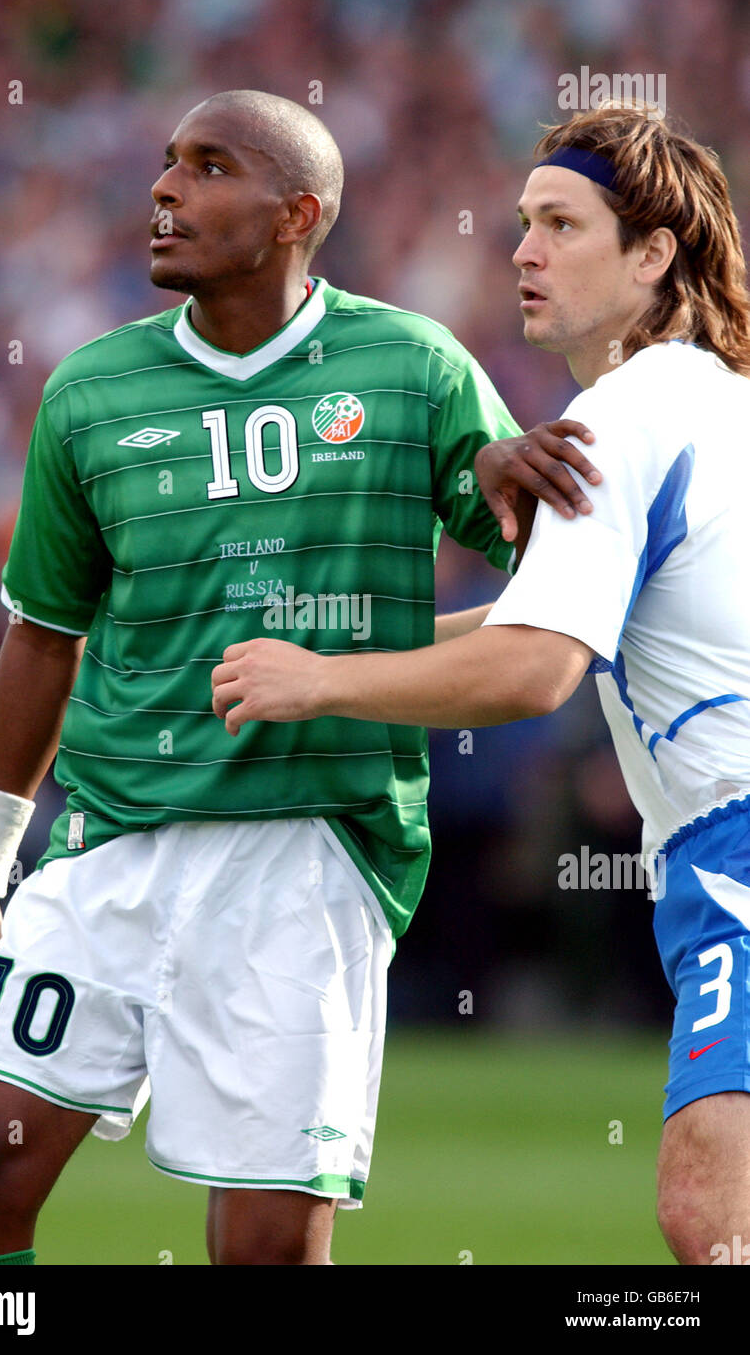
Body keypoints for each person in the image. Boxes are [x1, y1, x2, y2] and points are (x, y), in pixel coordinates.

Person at [0, 89, 589, 1267]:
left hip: (308, 855)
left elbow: (543, 561)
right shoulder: (89, 389)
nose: (163, 190)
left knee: (265, 1247)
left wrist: (510, 484)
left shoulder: (411, 365)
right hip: (110, 841)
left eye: (206, 166)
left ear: (296, 213)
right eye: (166, 164)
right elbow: (42, 635)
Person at [213, 104, 750, 1266]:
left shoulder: (625, 411)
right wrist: (332, 651)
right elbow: (533, 616)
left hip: (737, 841)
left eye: (559, 223)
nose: (520, 249)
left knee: (711, 1214)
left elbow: (530, 667)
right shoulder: (714, 398)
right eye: (520, 223)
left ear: (652, 254)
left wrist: (319, 684)